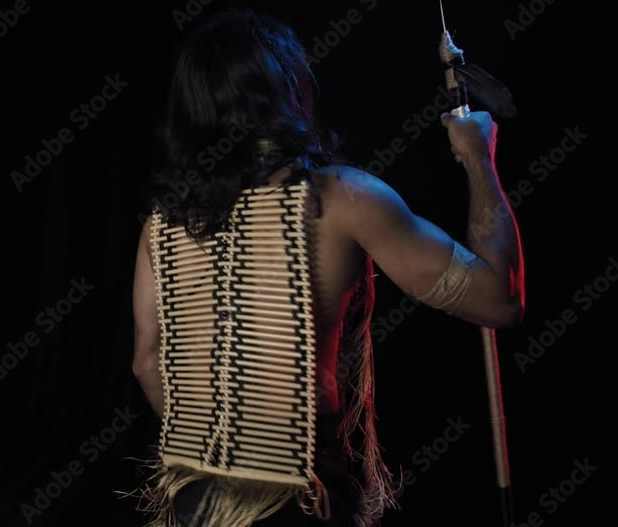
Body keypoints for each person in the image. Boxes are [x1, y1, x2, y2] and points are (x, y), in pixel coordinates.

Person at [130, 8, 525, 527]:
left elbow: (146, 364)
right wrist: (478, 157)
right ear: (288, 89)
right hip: (295, 502)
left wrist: (225, 455)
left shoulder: (163, 225)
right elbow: (498, 299)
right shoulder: (339, 197)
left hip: (194, 503)